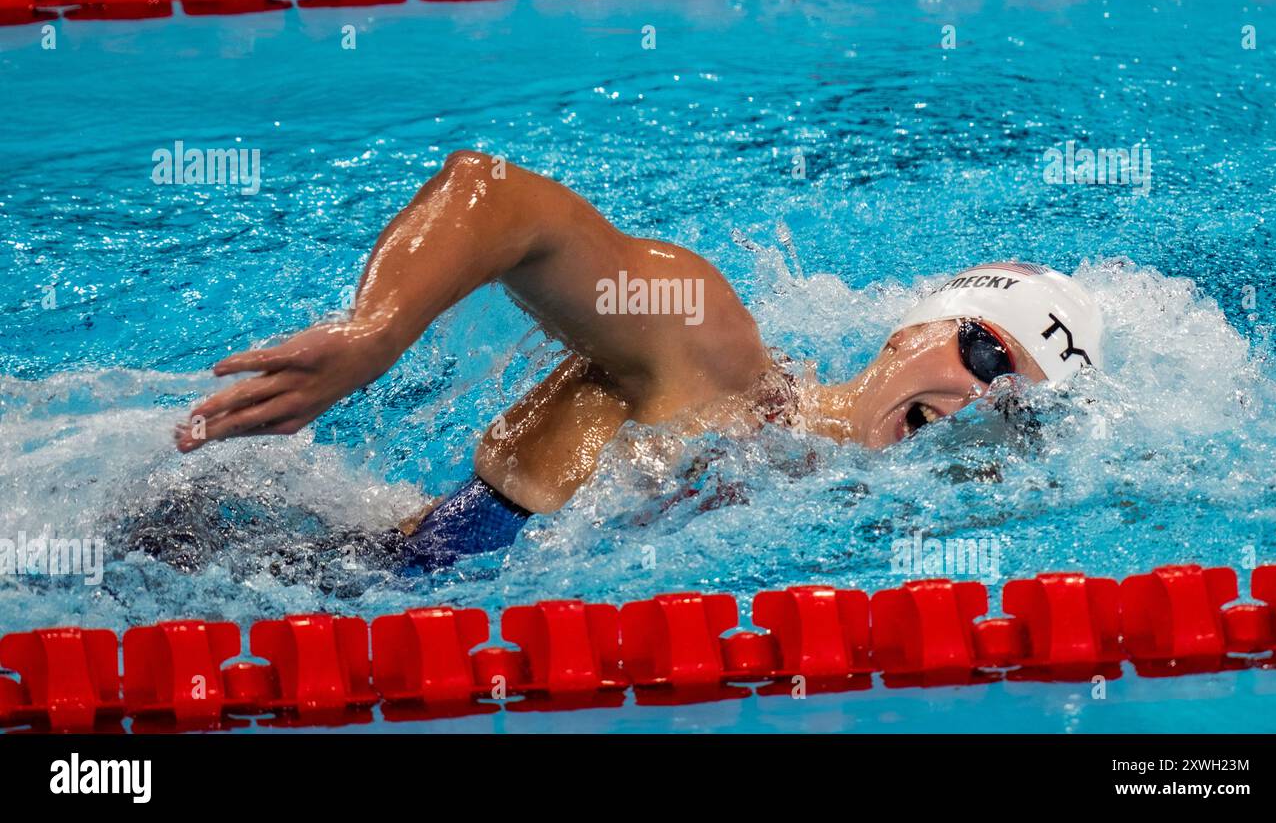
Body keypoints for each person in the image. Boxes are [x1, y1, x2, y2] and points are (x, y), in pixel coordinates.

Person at [175, 151, 1104, 567]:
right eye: (986, 352)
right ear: (910, 333)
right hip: (249, 567)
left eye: (1020, 406)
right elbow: (499, 200)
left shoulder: (862, 534)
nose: (986, 400)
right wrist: (376, 332)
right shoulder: (720, 364)